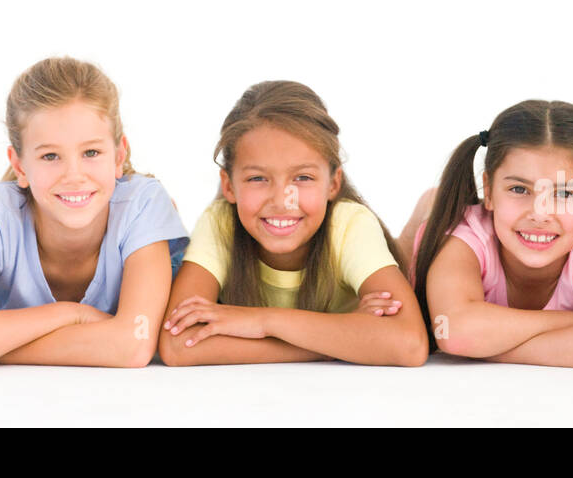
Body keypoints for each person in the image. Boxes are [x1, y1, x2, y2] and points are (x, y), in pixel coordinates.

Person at [0, 56, 188, 370]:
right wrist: (70, 314)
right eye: (50, 156)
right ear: (19, 166)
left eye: (91, 152)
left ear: (118, 156)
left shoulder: (143, 203)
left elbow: (132, 345)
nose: (73, 175)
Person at [159, 80, 428, 366]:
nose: (281, 200)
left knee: (409, 255)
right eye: (257, 179)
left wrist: (262, 322)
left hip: (376, 245)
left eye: (302, 178)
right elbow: (178, 345)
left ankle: (425, 211)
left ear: (333, 183)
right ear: (229, 186)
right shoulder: (220, 222)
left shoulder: (350, 224)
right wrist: (340, 343)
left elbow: (409, 345)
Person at [405, 99, 573, 368]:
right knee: (405, 249)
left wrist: (481, 347)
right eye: (519, 189)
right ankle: (427, 207)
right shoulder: (465, 232)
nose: (539, 213)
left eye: (563, 193)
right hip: (424, 244)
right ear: (488, 191)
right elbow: (451, 331)